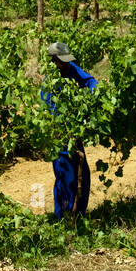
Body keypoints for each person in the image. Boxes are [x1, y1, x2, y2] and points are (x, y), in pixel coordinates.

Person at [41, 41, 97, 218]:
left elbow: (90, 81)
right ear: (53, 61)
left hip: (74, 132)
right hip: (59, 136)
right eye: (61, 61)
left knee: (83, 175)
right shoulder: (49, 82)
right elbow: (48, 111)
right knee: (65, 176)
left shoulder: (71, 68)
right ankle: (63, 217)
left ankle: (79, 213)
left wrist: (93, 95)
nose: (65, 64)